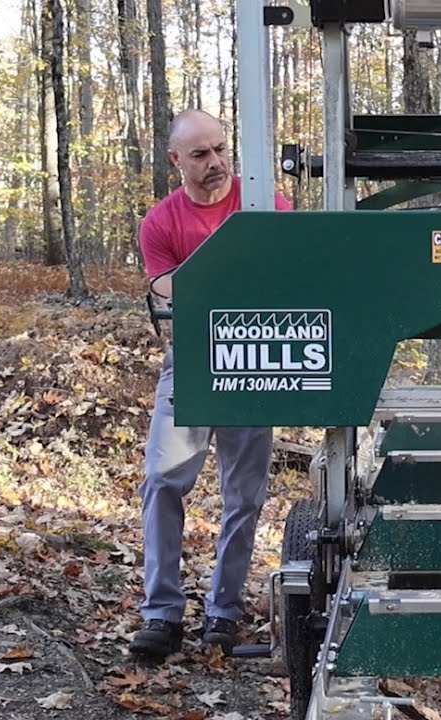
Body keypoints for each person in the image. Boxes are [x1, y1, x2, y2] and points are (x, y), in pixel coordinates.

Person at [131, 108, 293, 659]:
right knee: (162, 480)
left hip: (255, 358)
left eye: (220, 149)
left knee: (244, 494)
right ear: (176, 160)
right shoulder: (160, 222)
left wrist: (207, 279)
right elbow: (167, 290)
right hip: (194, 357)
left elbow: (290, 274)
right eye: (200, 155)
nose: (215, 162)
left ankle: (224, 610)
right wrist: (235, 274)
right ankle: (161, 614)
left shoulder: (263, 204)